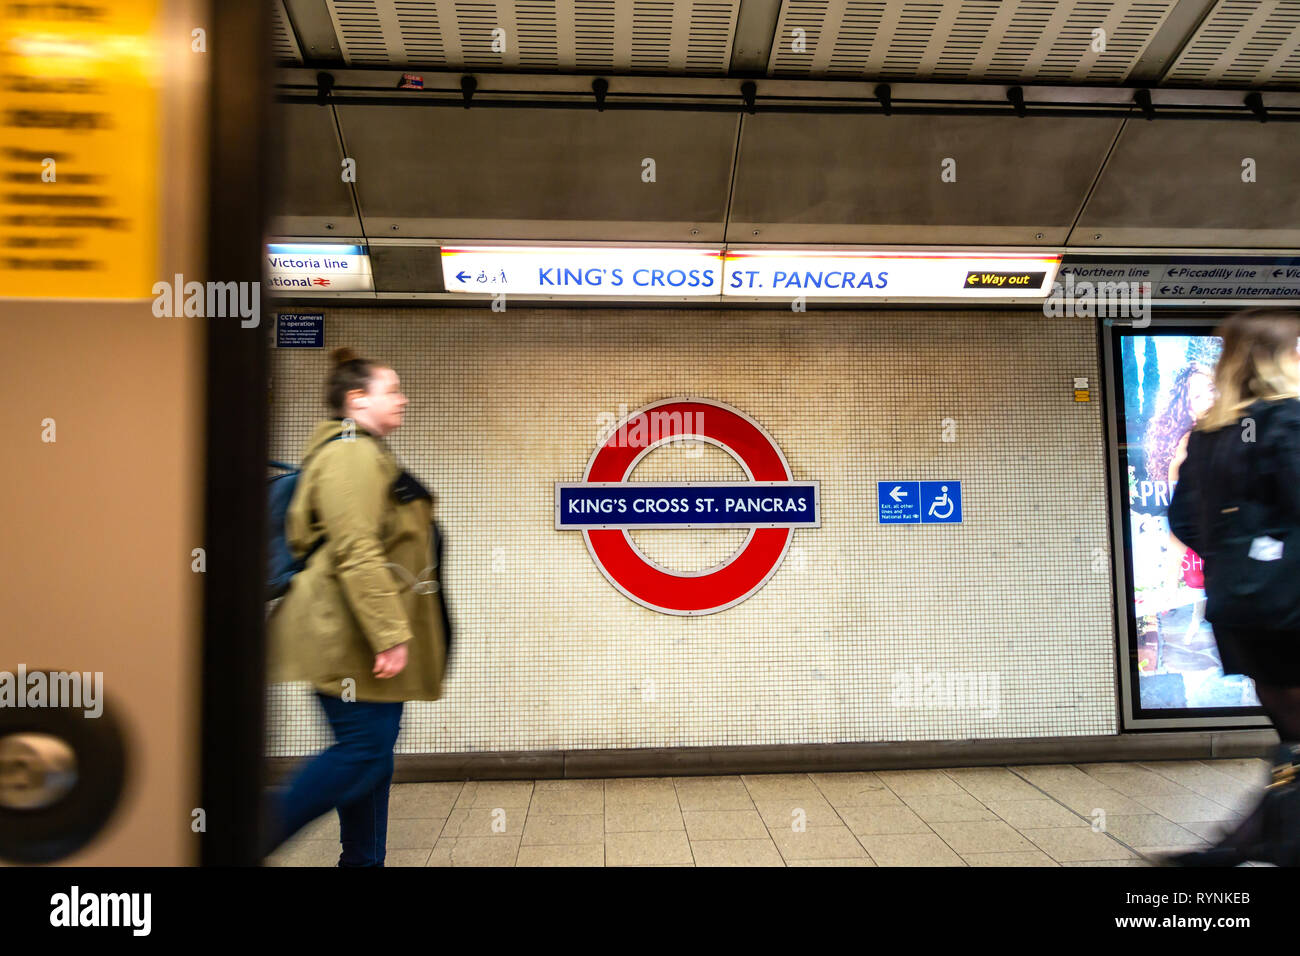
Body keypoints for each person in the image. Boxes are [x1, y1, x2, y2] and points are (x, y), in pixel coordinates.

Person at [263, 347, 446, 866]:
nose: (403, 398)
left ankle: (363, 862)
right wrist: (389, 633)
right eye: (392, 389)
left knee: (371, 759)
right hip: (350, 638)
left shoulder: (365, 452)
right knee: (362, 751)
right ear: (356, 398)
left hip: (358, 635)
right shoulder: (351, 454)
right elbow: (355, 547)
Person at [1167, 308, 1300, 866]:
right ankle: (1244, 850)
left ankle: (1242, 849)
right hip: (1292, 607)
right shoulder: (1286, 420)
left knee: (1294, 739)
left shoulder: (1209, 435)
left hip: (1242, 612)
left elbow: (1184, 522)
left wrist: (1238, 559)